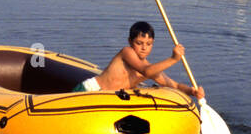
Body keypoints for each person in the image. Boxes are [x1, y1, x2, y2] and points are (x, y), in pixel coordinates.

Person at [75, 21, 204, 98]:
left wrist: (192, 91)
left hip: (108, 98)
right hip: (90, 90)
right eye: (139, 43)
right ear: (130, 41)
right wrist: (173, 59)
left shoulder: (150, 67)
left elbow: (173, 85)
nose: (144, 48)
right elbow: (146, 71)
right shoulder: (127, 52)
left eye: (149, 44)